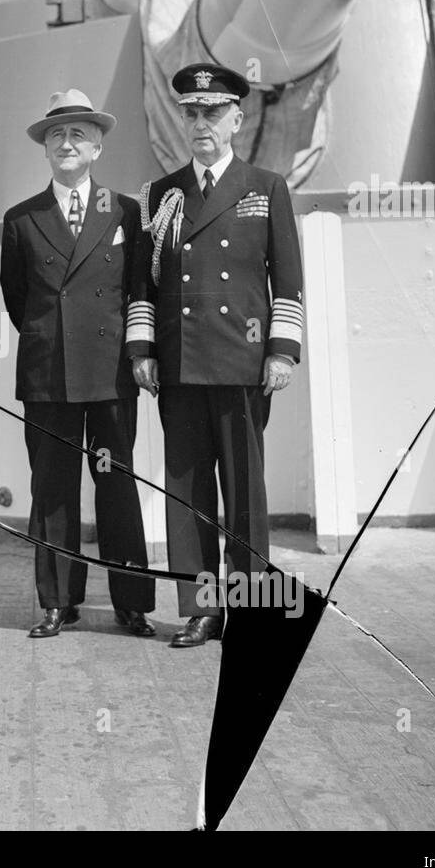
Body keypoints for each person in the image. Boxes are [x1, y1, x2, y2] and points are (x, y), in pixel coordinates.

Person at [126, 64, 303, 647]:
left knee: (246, 493)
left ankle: (248, 607)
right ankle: (205, 609)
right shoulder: (160, 194)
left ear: (236, 119)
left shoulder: (266, 188)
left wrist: (281, 352)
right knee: (189, 490)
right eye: (191, 114)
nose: (201, 124)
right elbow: (143, 287)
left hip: (243, 361)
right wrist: (143, 350)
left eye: (212, 113)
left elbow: (288, 282)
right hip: (180, 365)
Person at [0, 90, 155, 639]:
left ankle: (131, 601)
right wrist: (52, 342)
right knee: (53, 486)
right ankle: (57, 601)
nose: (66, 144)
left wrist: (136, 353)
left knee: (116, 483)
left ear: (97, 148)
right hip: (48, 373)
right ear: (45, 148)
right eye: (56, 135)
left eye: (78, 135)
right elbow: (19, 299)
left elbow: (138, 287)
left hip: (110, 372)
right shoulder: (22, 219)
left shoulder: (127, 212)